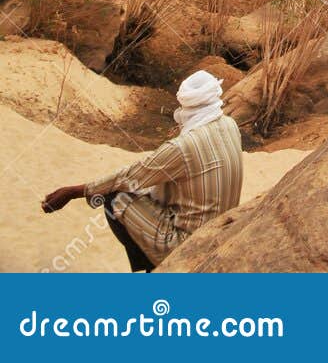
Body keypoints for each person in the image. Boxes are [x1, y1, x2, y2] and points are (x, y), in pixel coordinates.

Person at [41, 70, 242, 271]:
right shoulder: (230, 124)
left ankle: (152, 267)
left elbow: (129, 177)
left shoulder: (183, 146)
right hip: (222, 229)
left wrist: (74, 192)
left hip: (190, 244)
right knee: (150, 190)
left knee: (114, 197)